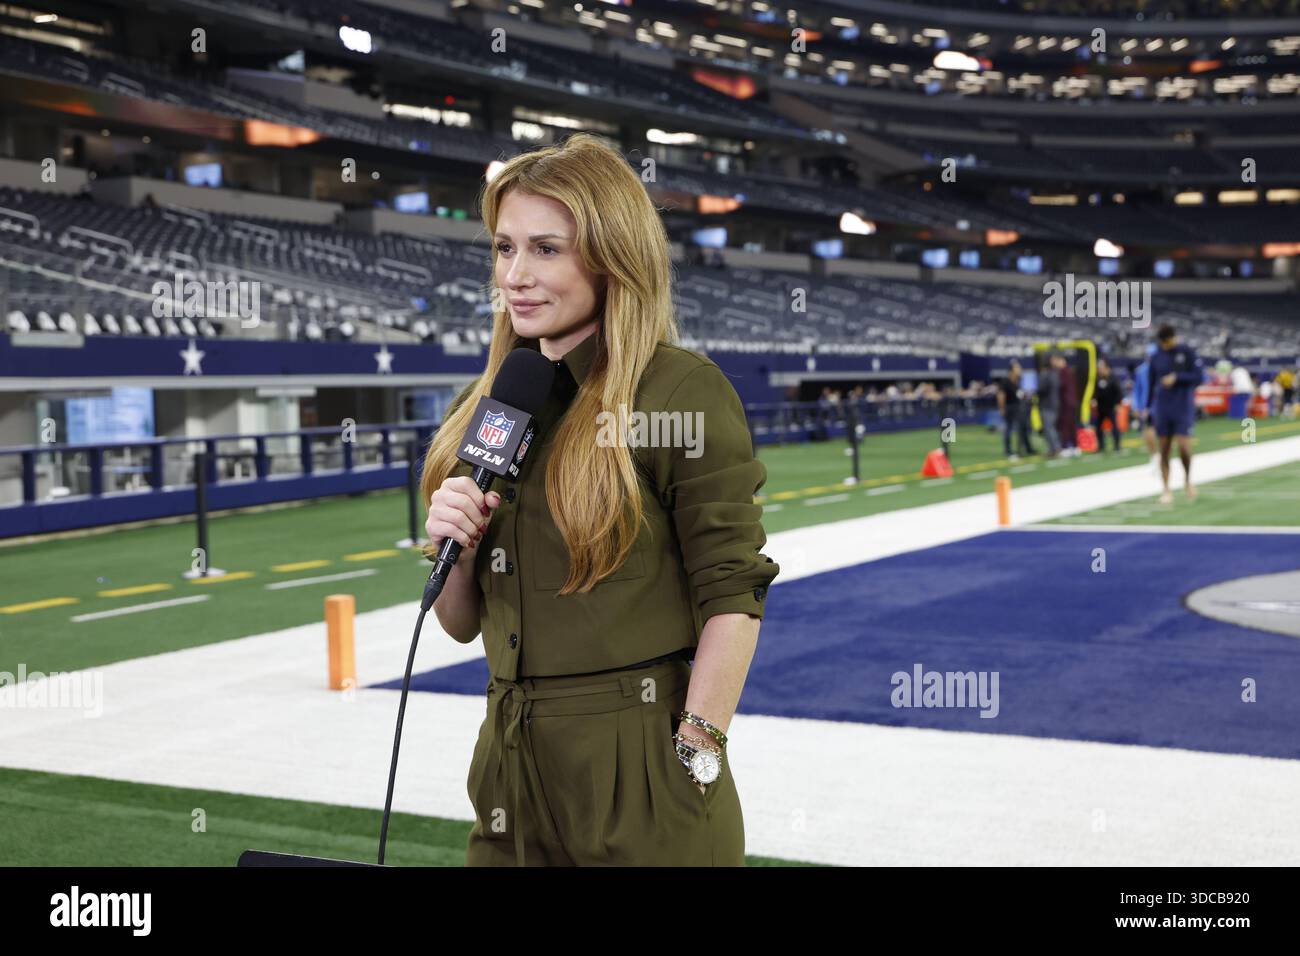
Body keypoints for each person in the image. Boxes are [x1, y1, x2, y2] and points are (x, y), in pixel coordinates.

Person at [419, 133, 779, 867]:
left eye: (546, 249)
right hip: (509, 762)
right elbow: (461, 625)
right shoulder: (485, 408)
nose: (515, 275)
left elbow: (732, 596)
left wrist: (696, 749)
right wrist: (453, 550)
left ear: (612, 256)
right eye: (503, 248)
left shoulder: (678, 390)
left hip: (639, 759)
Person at [1147, 323, 1205, 505]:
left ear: (1173, 337)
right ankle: (1166, 489)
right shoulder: (1155, 356)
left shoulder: (1186, 352)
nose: (1166, 345)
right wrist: (1148, 408)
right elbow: (1151, 383)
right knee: (1164, 449)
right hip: (1163, 407)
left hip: (1183, 406)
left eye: (1168, 341)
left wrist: (1177, 378)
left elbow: (1199, 377)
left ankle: (1187, 480)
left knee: (1184, 447)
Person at [997, 361, 1035, 458]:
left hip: (1018, 408)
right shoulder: (1006, 381)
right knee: (1008, 429)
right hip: (1009, 408)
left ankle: (1024, 449)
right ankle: (1008, 451)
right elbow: (1001, 395)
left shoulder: (1018, 381)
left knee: (1022, 428)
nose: (1019, 370)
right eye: (1017, 368)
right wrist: (1002, 408)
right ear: (1011, 371)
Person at [1132, 343, 1160, 472]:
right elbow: (1137, 390)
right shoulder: (1141, 371)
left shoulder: (1162, 369)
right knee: (1148, 433)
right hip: (1146, 407)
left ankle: (1160, 456)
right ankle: (1154, 456)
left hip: (1160, 405)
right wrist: (1136, 406)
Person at [1093, 358, 1123, 453]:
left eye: (1102, 368)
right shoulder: (1098, 379)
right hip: (1101, 408)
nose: (1100, 370)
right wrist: (1094, 400)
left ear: (1107, 368)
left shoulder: (1113, 379)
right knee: (1098, 428)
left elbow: (1119, 392)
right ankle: (1101, 446)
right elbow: (1096, 392)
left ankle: (1117, 446)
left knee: (1114, 427)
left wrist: (1118, 404)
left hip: (1111, 407)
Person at [1055, 353, 1079, 456]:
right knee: (1072, 425)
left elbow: (1061, 387)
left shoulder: (1063, 372)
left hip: (1066, 403)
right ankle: (1075, 446)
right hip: (1072, 402)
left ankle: (1065, 447)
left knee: (1065, 425)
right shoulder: (1069, 371)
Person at [1037, 355, 1061, 457]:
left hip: (1047, 404)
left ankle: (1054, 449)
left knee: (1048, 428)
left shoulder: (1045, 374)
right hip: (1054, 404)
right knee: (1051, 427)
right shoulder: (1055, 374)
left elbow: (1041, 389)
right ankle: (1055, 448)